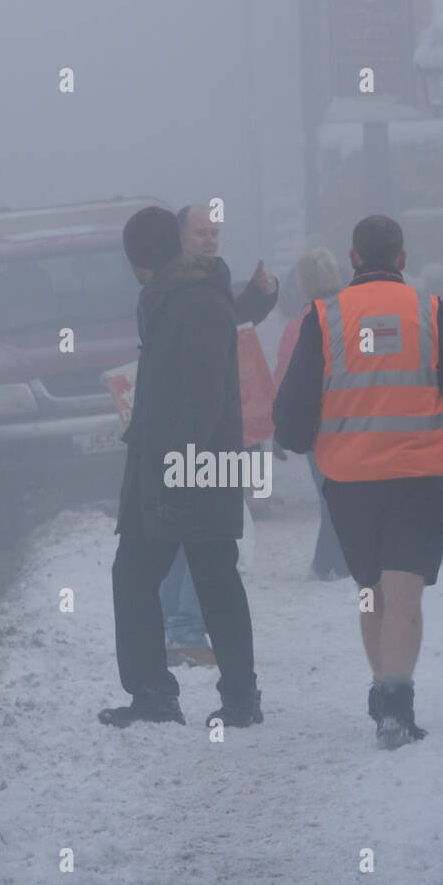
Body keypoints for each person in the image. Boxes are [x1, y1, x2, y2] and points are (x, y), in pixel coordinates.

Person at [273, 215, 443, 748]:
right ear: (402, 258)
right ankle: (396, 704)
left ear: (352, 259)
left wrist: (297, 438)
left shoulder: (324, 318)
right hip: (417, 477)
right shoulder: (431, 312)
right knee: (404, 596)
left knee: (371, 593)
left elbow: (295, 403)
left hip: (349, 481)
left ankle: (383, 695)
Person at [99, 206, 263, 729]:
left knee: (201, 578)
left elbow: (202, 398)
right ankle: (189, 695)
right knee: (165, 575)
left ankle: (220, 697)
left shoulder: (191, 302)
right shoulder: (177, 296)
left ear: (138, 259)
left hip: (191, 467)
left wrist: (176, 469)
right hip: (173, 465)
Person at [159, 205, 278, 667]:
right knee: (209, 535)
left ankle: (171, 626)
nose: (210, 239)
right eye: (200, 233)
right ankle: (185, 630)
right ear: (180, 237)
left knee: (180, 534)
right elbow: (206, 347)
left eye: (214, 232)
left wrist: (257, 298)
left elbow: (224, 321)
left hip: (192, 430)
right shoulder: (182, 286)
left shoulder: (200, 281)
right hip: (201, 433)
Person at [273, 247, 349, 581]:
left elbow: (283, 381)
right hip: (354, 418)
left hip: (316, 426)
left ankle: (330, 562)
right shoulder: (357, 318)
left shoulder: (297, 328)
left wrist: (279, 427)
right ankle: (329, 561)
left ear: (304, 284)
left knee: (328, 493)